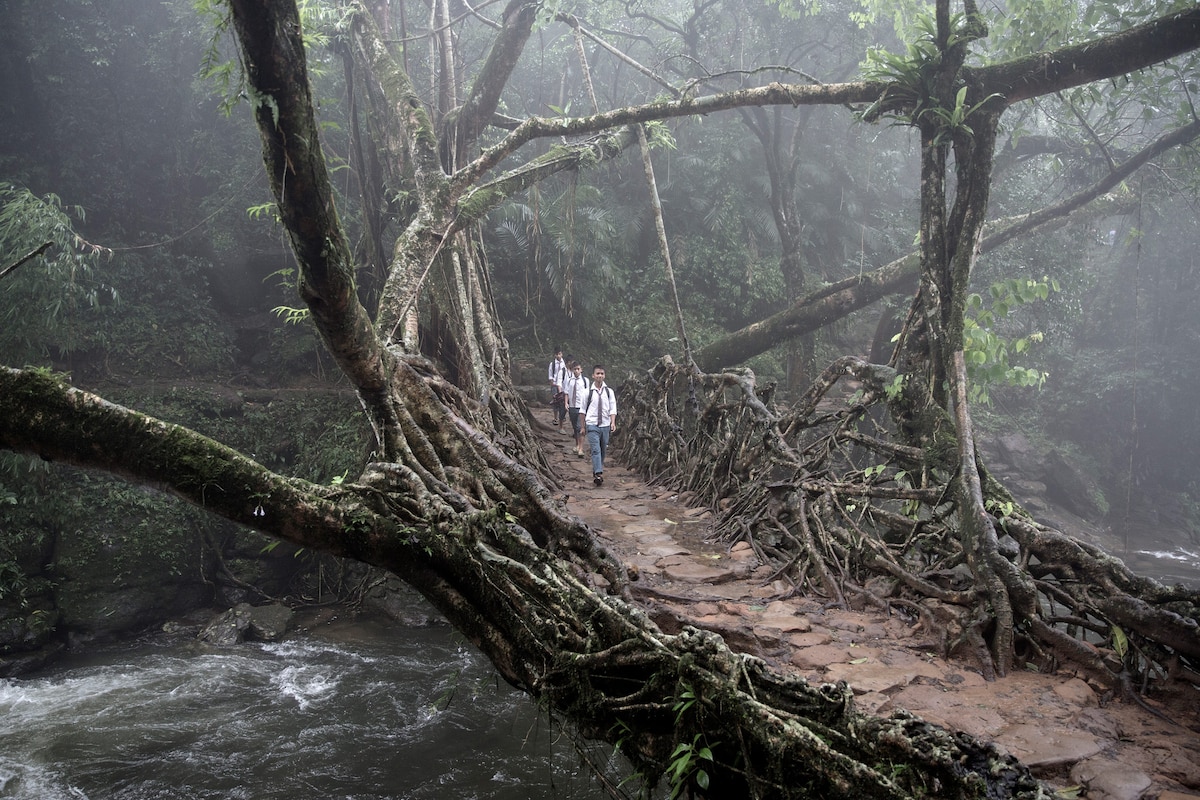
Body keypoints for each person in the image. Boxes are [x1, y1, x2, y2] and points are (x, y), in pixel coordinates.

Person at [580, 364, 616, 486]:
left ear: (604, 375)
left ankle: (597, 469)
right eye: (597, 373)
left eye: (602, 373)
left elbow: (612, 409)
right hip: (592, 424)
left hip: (605, 425)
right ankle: (598, 474)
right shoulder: (587, 393)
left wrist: (613, 423)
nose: (600, 376)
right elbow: (582, 411)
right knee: (595, 450)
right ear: (593, 376)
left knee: (602, 450)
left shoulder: (609, 392)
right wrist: (583, 426)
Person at [563, 361, 591, 457]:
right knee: (575, 427)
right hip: (572, 406)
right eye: (575, 369)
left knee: (580, 427)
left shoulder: (585, 381)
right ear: (572, 370)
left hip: (581, 407)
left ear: (581, 370)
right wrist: (566, 402)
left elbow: (588, 394)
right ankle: (577, 445)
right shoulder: (569, 380)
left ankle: (581, 448)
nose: (576, 371)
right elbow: (566, 392)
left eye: (578, 369)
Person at [547, 348, 568, 429]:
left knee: (563, 401)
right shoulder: (552, 364)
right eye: (556, 354)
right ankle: (555, 417)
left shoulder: (564, 363)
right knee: (556, 401)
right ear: (554, 355)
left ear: (562, 354)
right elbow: (550, 375)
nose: (558, 355)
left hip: (563, 385)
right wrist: (552, 383)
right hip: (555, 385)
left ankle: (562, 416)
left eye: (559, 353)